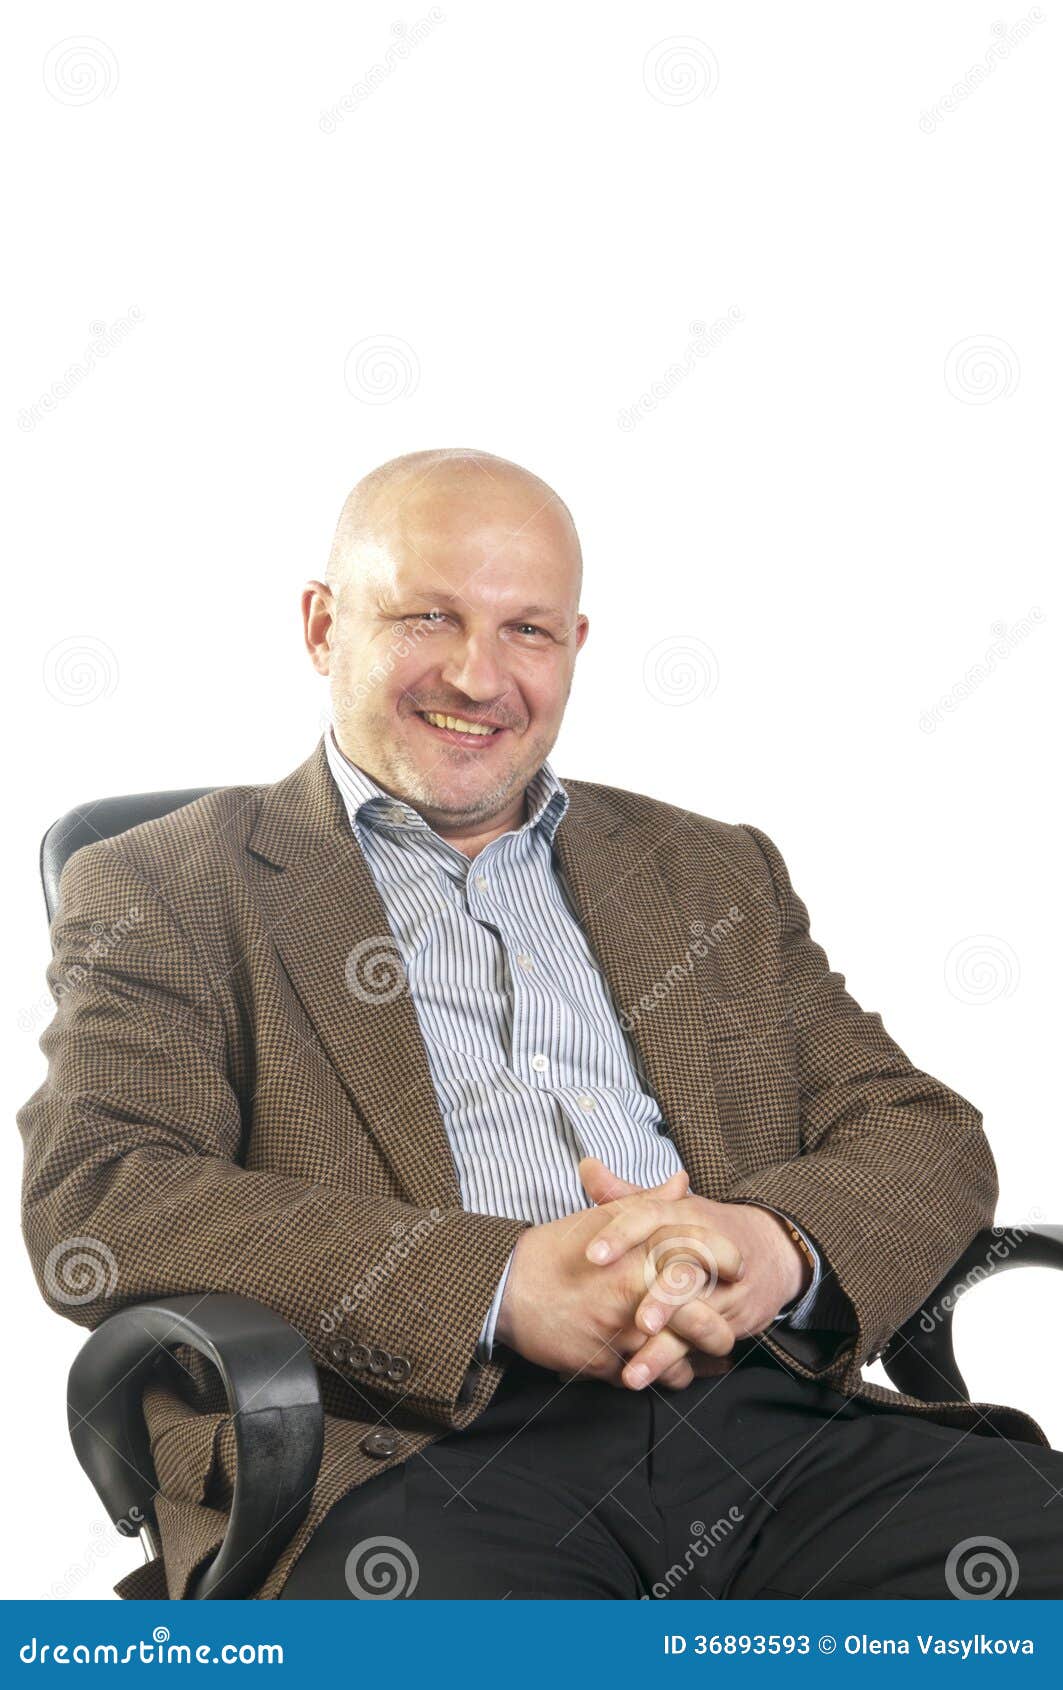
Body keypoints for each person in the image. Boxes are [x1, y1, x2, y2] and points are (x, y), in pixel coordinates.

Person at [18, 448, 1062, 1600]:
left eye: (528, 630)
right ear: (321, 625)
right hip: (415, 1451)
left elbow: (916, 1125)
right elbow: (107, 1191)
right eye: (428, 615)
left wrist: (768, 1246)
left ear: (575, 648)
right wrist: (501, 1282)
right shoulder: (168, 882)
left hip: (771, 1416)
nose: (479, 676)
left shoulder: (705, 869)